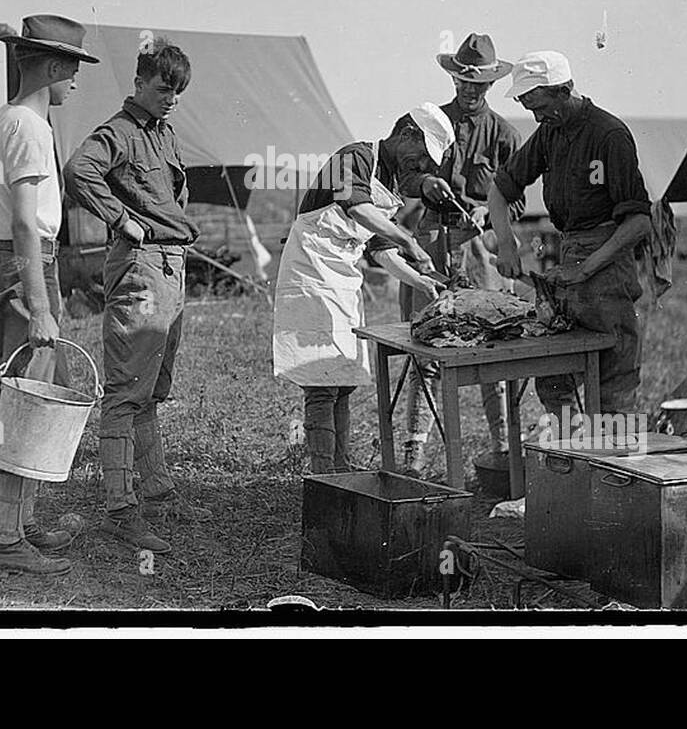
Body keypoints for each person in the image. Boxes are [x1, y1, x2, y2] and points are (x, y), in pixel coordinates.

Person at [0, 13, 99, 577]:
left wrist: (1, 240)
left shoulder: (2, 120)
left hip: (8, 263)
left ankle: (22, 524)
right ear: (52, 66)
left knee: (29, 394)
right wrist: (39, 302)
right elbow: (25, 222)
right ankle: (4, 540)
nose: (75, 81)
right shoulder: (33, 130)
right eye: (72, 69)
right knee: (26, 402)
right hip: (26, 268)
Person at [63, 37, 208, 556]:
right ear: (140, 82)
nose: (171, 98)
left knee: (153, 390)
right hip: (141, 270)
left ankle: (157, 493)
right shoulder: (119, 133)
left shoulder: (164, 135)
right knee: (126, 392)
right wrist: (123, 219)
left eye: (178, 91)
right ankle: (120, 511)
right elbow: (79, 170)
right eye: (164, 87)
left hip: (172, 266)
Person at [272, 105, 452, 474]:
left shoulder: (387, 182)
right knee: (320, 379)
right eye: (420, 156)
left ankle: (340, 464)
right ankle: (325, 472)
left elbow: (378, 249)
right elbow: (357, 210)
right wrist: (409, 240)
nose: (421, 167)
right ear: (406, 134)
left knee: (343, 378)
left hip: (342, 277)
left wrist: (419, 279)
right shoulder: (352, 157)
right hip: (312, 272)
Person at [488, 51, 652, 429]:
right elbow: (500, 190)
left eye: (541, 106)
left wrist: (587, 268)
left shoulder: (609, 135)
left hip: (608, 266)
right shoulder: (549, 132)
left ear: (563, 90)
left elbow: (639, 223)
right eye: (529, 109)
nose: (537, 118)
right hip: (569, 258)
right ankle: (573, 464)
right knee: (554, 377)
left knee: (613, 385)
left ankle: (616, 473)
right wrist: (507, 243)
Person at [386, 33, 523, 476]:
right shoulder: (428, 122)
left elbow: (517, 200)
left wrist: (490, 212)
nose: (470, 89)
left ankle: (503, 453)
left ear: (490, 84)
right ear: (453, 77)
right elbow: (402, 174)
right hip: (431, 245)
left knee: (491, 348)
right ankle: (413, 454)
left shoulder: (506, 134)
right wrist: (425, 186)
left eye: (479, 84)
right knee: (424, 349)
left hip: (481, 252)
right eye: (463, 80)